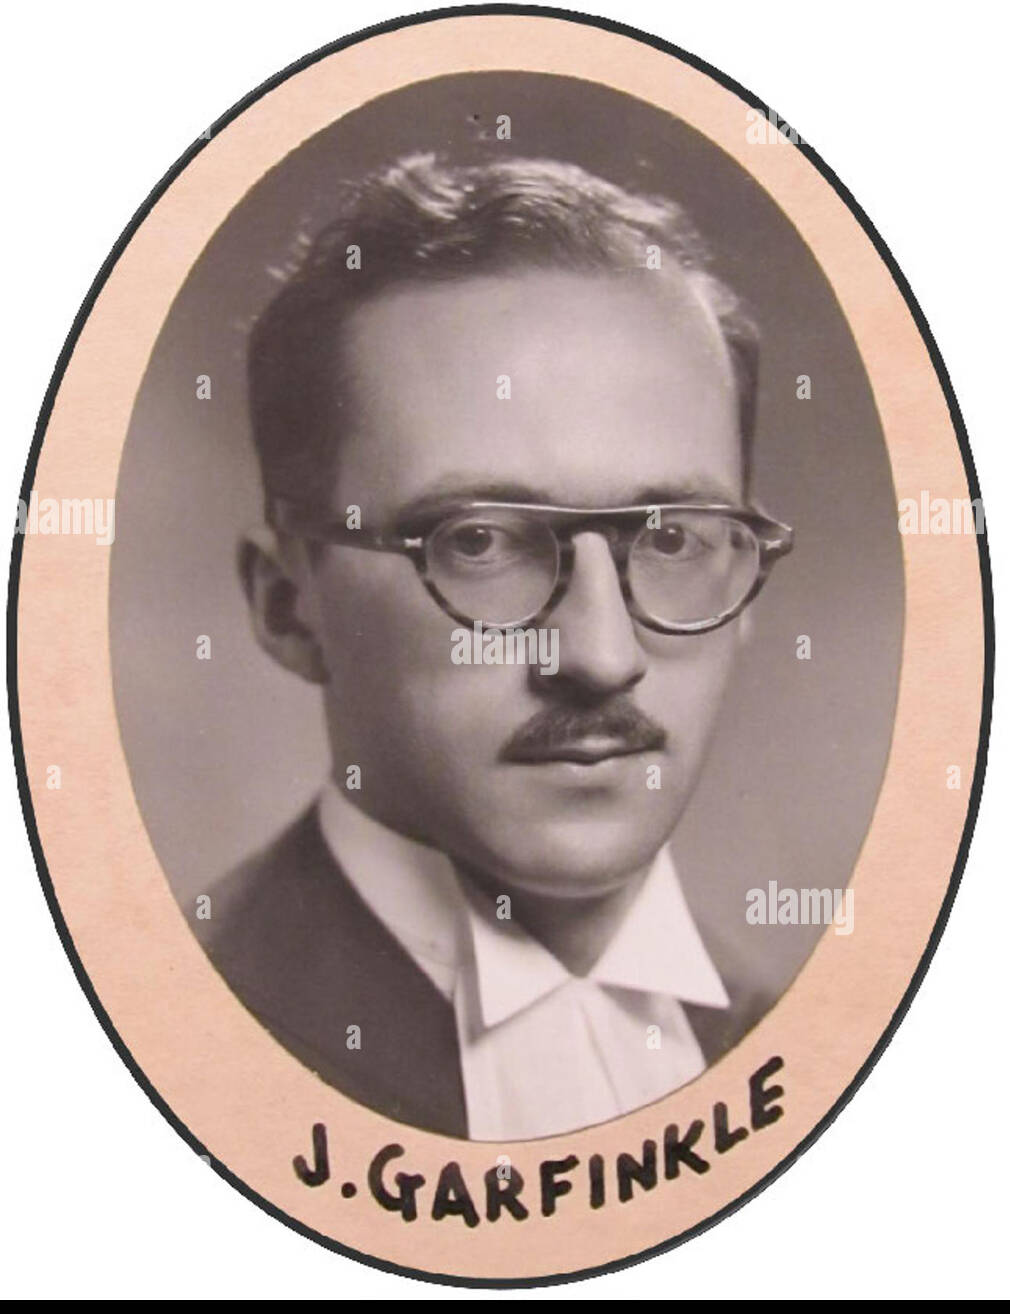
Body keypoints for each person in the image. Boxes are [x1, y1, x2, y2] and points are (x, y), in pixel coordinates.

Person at [196, 152, 793, 1140]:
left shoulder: (801, 1046)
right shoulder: (155, 1043)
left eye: (672, 536)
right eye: (478, 542)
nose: (601, 655)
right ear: (286, 607)